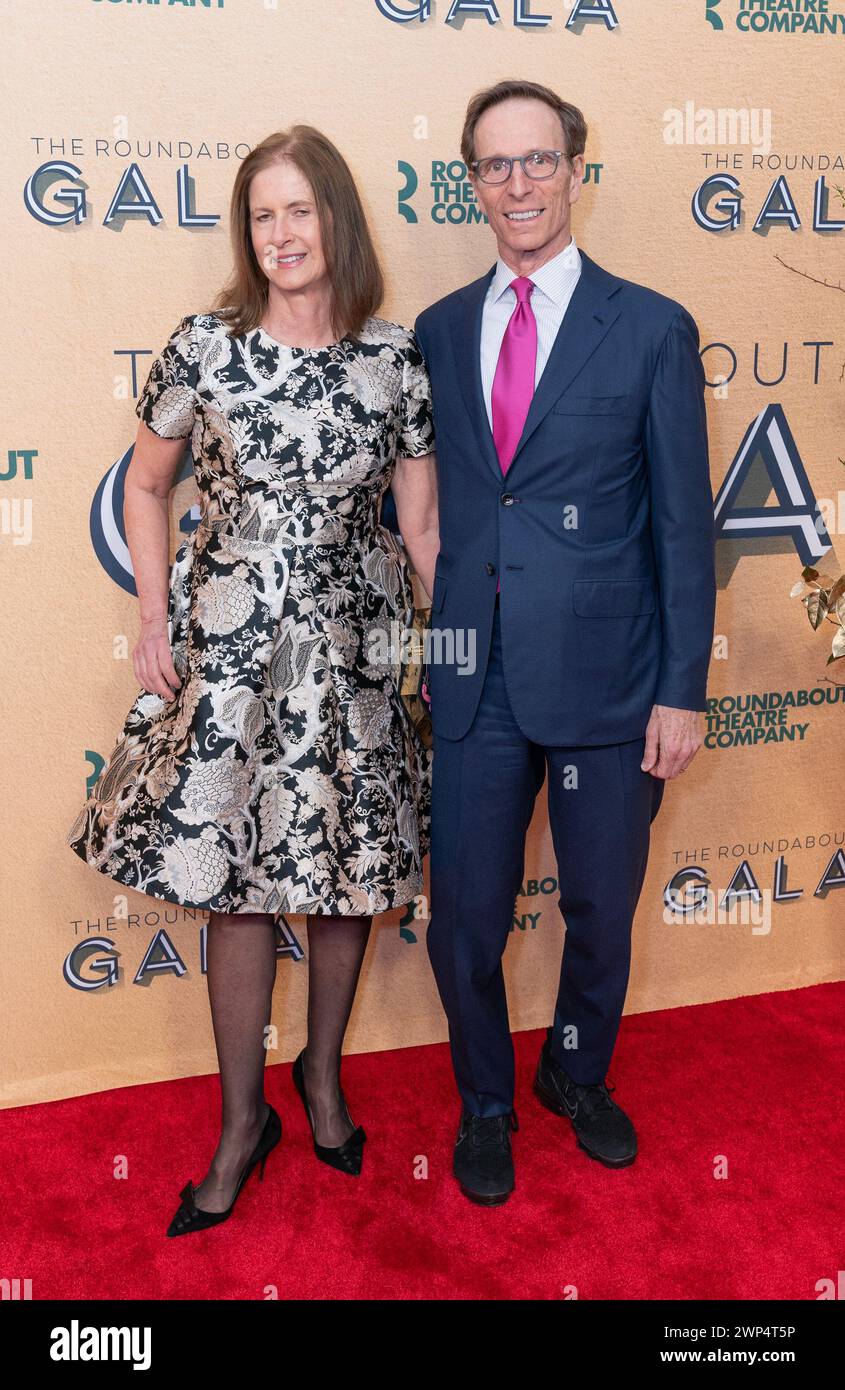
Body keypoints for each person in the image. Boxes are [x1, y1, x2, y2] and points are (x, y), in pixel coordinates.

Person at [66, 126, 439, 1233]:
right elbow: (145, 486)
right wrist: (151, 614)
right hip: (232, 648)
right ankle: (240, 1122)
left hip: (357, 648)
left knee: (340, 873)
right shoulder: (204, 347)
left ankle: (319, 1082)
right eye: (261, 215)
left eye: (299, 210)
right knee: (233, 883)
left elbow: (420, 525)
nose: (281, 233)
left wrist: (448, 655)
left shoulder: (393, 355)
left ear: (336, 218)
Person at [414, 80, 716, 1205]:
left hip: (609, 679)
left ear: (575, 174)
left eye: (538, 161)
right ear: (472, 185)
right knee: (466, 921)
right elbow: (431, 511)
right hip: (471, 677)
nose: (517, 184)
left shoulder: (648, 327)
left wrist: (679, 687)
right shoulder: (439, 332)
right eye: (494, 166)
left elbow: (685, 525)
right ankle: (484, 1099)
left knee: (598, 904)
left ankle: (573, 1073)